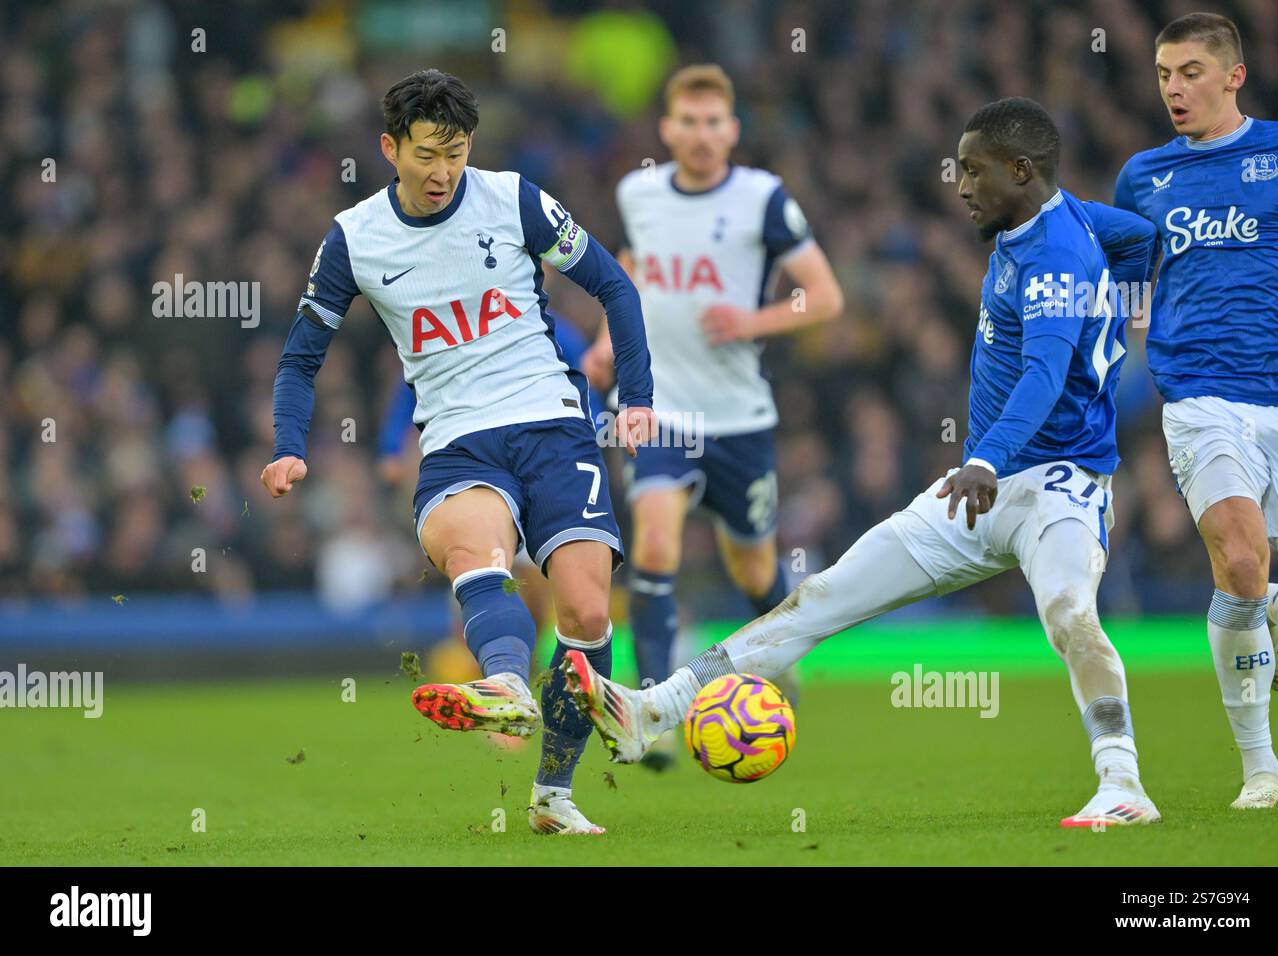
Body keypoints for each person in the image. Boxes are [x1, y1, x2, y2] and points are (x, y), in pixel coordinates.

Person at [564, 98, 1166, 828]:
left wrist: (987, 457)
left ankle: (1123, 784)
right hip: (981, 491)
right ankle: (652, 709)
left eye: (974, 171)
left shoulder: (1055, 256)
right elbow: (1141, 237)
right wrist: (1127, 306)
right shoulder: (1065, 222)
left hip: (1057, 484)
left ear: (1021, 171)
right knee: (822, 595)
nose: (962, 185)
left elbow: (1042, 374)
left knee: (1070, 614)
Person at [260, 69, 656, 835]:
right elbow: (301, 357)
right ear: (389, 148)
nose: (444, 171)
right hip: (455, 442)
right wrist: (286, 447)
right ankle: (504, 682)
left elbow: (616, 287)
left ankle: (552, 795)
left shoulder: (514, 199)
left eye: (457, 151)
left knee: (581, 608)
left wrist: (635, 399)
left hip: (552, 424)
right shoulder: (354, 238)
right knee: (476, 552)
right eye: (427, 154)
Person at [582, 65, 844, 767]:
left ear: (733, 129)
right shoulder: (637, 192)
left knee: (754, 566)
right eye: (688, 123)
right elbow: (633, 270)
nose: (701, 136)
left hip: (738, 418)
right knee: (656, 547)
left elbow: (822, 298)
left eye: (713, 122)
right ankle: (651, 708)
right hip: (658, 407)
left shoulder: (763, 198)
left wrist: (753, 318)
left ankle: (779, 662)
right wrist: (609, 342)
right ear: (667, 130)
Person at [1114, 12, 1278, 810]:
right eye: (1163, 74)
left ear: (1234, 76)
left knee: (1270, 587)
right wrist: (1127, 333)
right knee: (1238, 555)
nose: (1174, 89)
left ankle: (1276, 610)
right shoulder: (1144, 178)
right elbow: (1128, 284)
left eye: (1190, 72)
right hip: (1201, 395)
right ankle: (1260, 766)